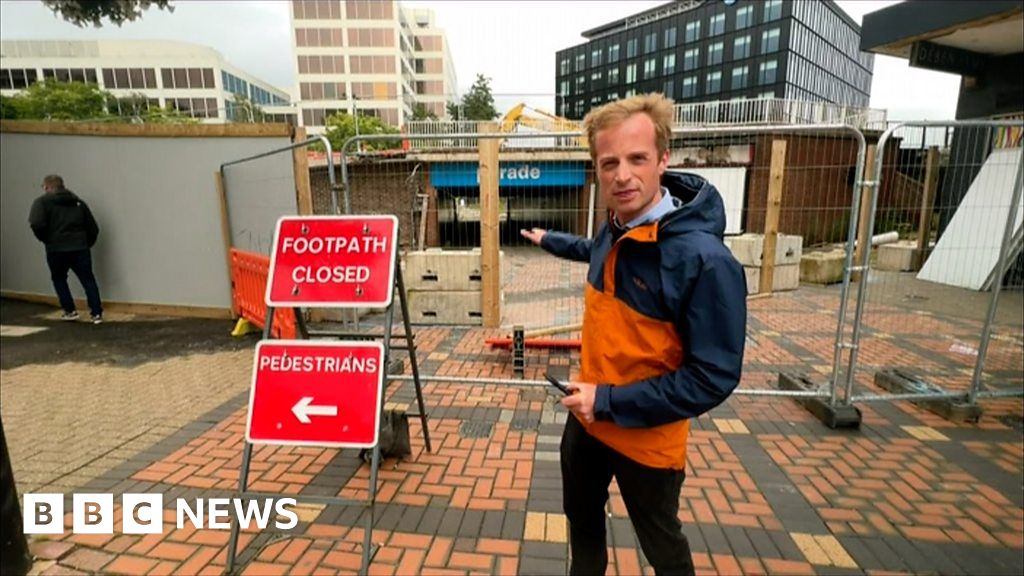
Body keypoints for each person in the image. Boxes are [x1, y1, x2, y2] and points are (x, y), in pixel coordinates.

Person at [521, 93, 746, 575]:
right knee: (581, 525)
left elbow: (713, 377)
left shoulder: (705, 261)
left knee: (661, 544)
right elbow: (594, 248)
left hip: (647, 440)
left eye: (637, 158)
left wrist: (609, 402)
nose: (622, 174)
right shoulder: (615, 225)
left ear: (664, 159)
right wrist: (550, 240)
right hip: (586, 421)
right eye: (609, 162)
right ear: (597, 168)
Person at [29, 175, 104, 324]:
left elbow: (36, 223)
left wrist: (46, 239)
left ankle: (70, 311)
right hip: (80, 247)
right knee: (88, 279)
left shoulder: (41, 203)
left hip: (56, 249)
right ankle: (96, 314)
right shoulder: (78, 202)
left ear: (47, 187)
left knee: (59, 279)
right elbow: (93, 227)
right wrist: (85, 243)